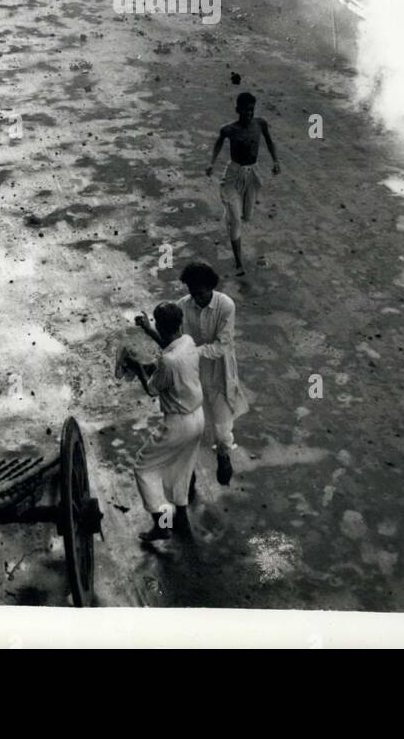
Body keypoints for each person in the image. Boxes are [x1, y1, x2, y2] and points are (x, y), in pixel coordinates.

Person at [136, 261, 248, 490]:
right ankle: (190, 471)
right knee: (194, 424)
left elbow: (222, 346)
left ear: (210, 288)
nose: (195, 298)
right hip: (192, 374)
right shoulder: (182, 306)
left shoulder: (226, 306)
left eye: (200, 293)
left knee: (222, 425)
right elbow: (172, 343)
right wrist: (150, 330)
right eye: (191, 293)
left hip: (219, 372)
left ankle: (224, 454)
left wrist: (185, 354)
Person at [122, 302, 203, 543]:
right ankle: (180, 517)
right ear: (180, 323)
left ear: (160, 323)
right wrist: (148, 330)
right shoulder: (188, 342)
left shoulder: (167, 361)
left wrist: (137, 368)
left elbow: (152, 390)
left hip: (177, 423)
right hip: (198, 418)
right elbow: (169, 350)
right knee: (181, 468)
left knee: (144, 468)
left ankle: (160, 523)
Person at [206, 91, 280, 276]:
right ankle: (239, 263)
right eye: (246, 110)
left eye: (252, 110)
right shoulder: (229, 129)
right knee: (236, 221)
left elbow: (270, 142)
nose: (249, 113)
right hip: (233, 174)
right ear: (237, 110)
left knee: (246, 216)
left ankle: (231, 214)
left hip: (252, 174)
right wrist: (211, 163)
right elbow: (218, 143)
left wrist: (275, 161)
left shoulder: (260, 124)